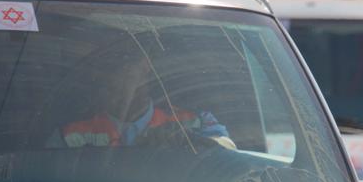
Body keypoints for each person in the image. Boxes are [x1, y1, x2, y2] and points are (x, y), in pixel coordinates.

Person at [57, 36, 233, 149]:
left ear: (147, 69)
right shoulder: (73, 135)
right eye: (108, 67)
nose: (116, 78)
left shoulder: (191, 121)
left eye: (127, 65)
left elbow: (227, 151)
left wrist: (187, 142)